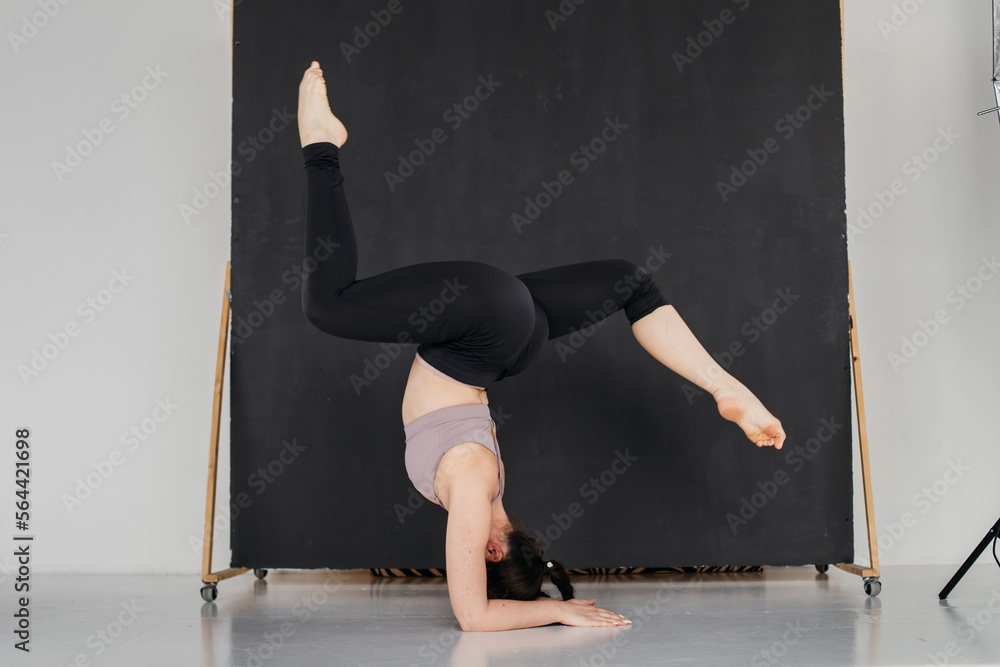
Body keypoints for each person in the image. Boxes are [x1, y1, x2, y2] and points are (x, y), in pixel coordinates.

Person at [296, 61, 786, 632]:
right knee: (328, 305)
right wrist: (551, 610)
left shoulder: (489, 486)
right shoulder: (475, 490)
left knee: (631, 282)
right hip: (481, 328)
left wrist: (547, 597)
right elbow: (473, 617)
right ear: (493, 553)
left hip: (517, 341)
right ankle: (321, 145)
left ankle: (726, 387)